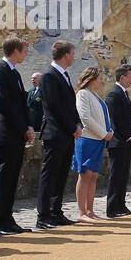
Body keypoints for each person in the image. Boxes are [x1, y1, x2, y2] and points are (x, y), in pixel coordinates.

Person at [0, 35, 35, 235]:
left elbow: (21, 103)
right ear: (15, 50)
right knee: (4, 178)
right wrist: (23, 127)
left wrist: (28, 126)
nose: (26, 54)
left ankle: (7, 219)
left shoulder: (14, 73)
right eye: (24, 50)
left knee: (12, 178)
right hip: (7, 133)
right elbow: (4, 104)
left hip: (17, 133)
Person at [36, 40, 81, 228]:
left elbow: (70, 105)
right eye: (72, 53)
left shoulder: (64, 75)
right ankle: (43, 215)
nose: (73, 57)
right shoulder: (49, 76)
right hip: (55, 133)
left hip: (66, 133)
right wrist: (72, 127)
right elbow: (55, 107)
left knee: (61, 174)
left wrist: (77, 123)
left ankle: (56, 211)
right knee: (50, 175)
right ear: (65, 55)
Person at [72, 66, 109, 223]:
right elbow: (85, 118)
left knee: (93, 176)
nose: (101, 81)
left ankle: (90, 210)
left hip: (98, 140)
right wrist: (103, 133)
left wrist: (109, 130)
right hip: (87, 139)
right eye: (100, 78)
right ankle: (81, 212)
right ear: (92, 78)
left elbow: (103, 116)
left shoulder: (95, 95)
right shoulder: (83, 94)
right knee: (85, 174)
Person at [104, 64, 131, 217]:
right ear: (122, 77)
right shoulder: (114, 94)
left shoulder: (124, 93)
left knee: (123, 175)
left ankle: (121, 205)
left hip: (125, 141)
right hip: (117, 141)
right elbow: (116, 120)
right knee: (116, 175)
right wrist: (128, 136)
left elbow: (129, 119)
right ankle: (112, 208)